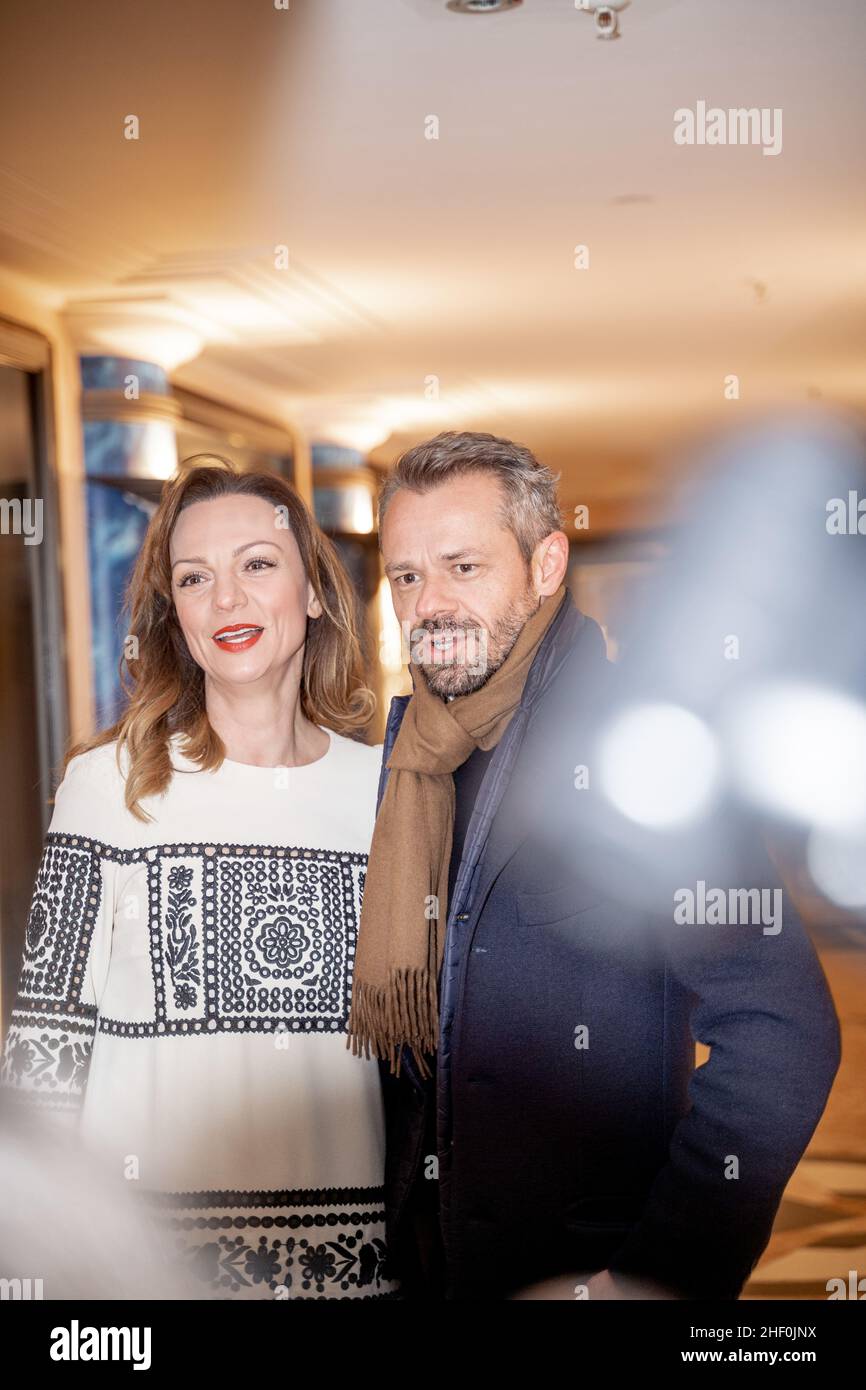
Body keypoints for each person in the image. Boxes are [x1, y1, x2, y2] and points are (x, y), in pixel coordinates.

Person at [346, 429, 842, 1301]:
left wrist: (655, 1274)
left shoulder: (641, 754)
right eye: (408, 577)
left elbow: (783, 1033)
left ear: (546, 565)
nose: (430, 604)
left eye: (463, 567)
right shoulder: (403, 757)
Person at [0, 456, 399, 1301]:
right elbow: (43, 1054)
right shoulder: (109, 786)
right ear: (174, 615)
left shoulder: (384, 793)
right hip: (144, 1278)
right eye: (195, 578)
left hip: (350, 1273)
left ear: (316, 592)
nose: (227, 600)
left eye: (257, 564)